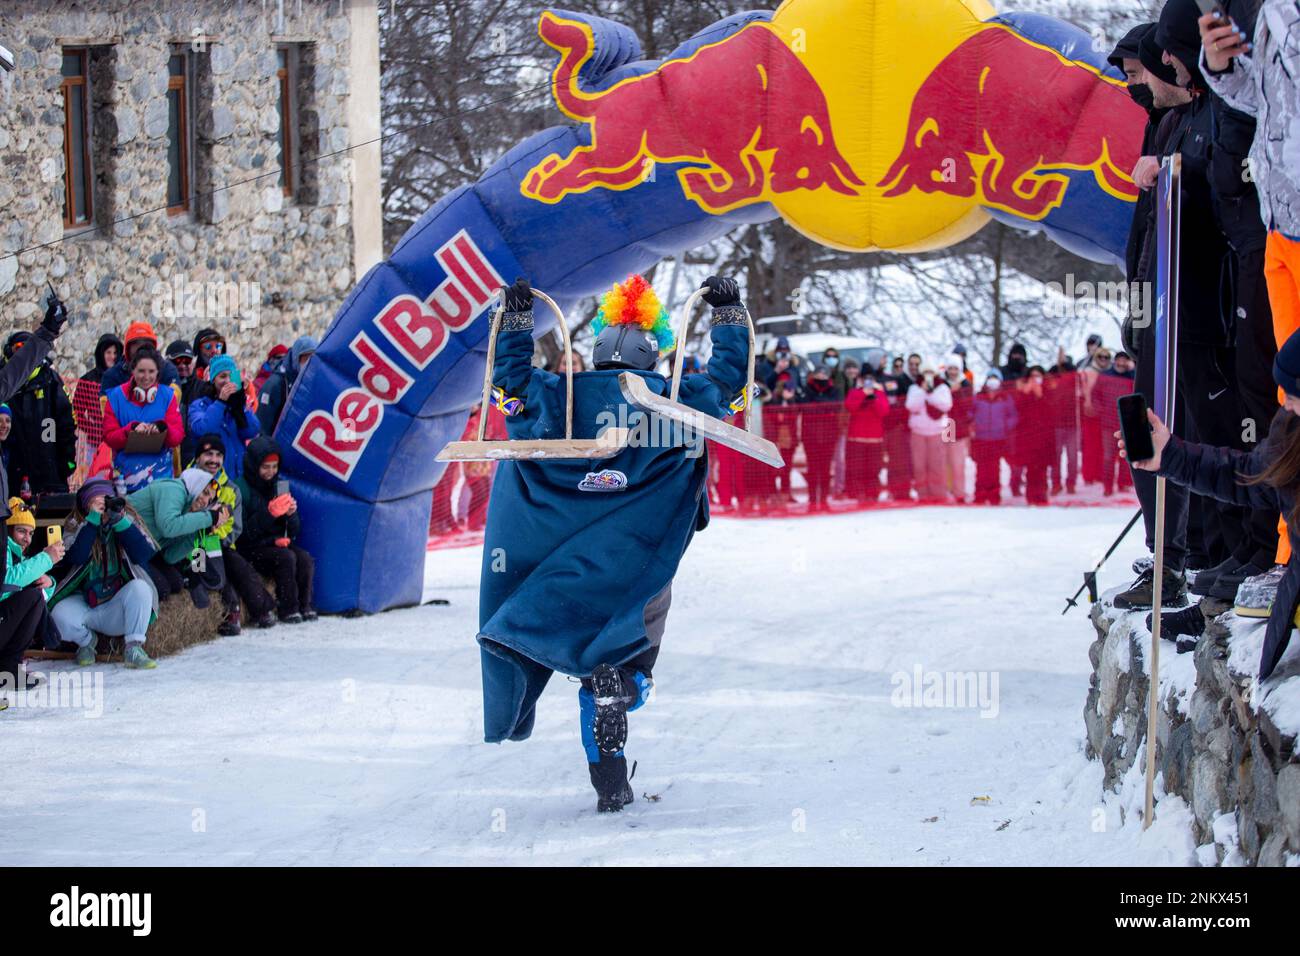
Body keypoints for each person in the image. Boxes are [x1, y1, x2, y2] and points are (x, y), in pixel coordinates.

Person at [475, 273, 750, 813]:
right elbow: (730, 387)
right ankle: (620, 693)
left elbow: (508, 387)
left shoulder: (559, 396)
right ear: (655, 352)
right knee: (627, 664)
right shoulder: (675, 399)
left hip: (558, 561)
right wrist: (729, 317)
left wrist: (513, 320)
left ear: (597, 348)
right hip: (641, 563)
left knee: (586, 657)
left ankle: (612, 782)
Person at [1122, 329, 1300, 681]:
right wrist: (1170, 455)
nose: (1287, 404)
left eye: (1295, 395)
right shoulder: (1294, 427)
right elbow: (1247, 476)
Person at [48, 479, 159, 669]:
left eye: (105, 499)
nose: (102, 504)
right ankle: (87, 642)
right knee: (58, 614)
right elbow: (76, 557)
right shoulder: (75, 524)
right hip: (85, 602)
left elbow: (143, 554)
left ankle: (133, 648)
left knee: (141, 589)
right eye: (96, 500)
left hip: (116, 607)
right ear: (85, 505)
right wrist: (91, 523)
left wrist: (120, 522)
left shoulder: (125, 519)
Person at [189, 434, 276, 635]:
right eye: (208, 454)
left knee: (233, 563)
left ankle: (254, 610)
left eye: (219, 455)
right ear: (197, 457)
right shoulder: (185, 481)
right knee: (215, 563)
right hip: (193, 548)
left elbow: (235, 527)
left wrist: (217, 538)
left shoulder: (231, 488)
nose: (214, 460)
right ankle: (237, 610)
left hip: (221, 543)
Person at [238, 436, 316, 625]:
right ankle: (287, 609)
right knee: (285, 558)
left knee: (304, 558)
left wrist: (291, 514)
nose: (270, 472)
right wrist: (269, 513)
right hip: (251, 548)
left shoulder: (280, 486)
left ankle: (305, 605)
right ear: (254, 465)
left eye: (274, 467)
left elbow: (293, 530)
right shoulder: (241, 488)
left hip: (276, 543)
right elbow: (243, 535)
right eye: (265, 467)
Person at [129, 466, 230, 609]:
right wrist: (209, 517)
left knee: (176, 583)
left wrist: (202, 531)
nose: (205, 501)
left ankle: (198, 579)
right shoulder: (175, 489)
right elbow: (168, 527)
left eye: (210, 501)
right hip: (125, 543)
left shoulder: (189, 511)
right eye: (205, 492)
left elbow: (170, 556)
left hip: (146, 549)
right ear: (197, 484)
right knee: (162, 588)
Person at [1, 331, 76, 496]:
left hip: (48, 474)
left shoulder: (50, 379)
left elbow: (67, 425)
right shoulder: (4, 380)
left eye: (27, 349)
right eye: (18, 348)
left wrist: (67, 463)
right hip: (11, 471)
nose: (23, 354)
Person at [0, 498, 62, 694]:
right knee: (32, 597)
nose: (27, 538)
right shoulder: (3, 550)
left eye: (31, 533)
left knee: (34, 598)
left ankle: (8, 671)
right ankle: (8, 668)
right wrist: (45, 559)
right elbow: (5, 583)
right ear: (7, 530)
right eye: (21, 531)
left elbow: (36, 600)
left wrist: (49, 583)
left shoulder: (20, 557)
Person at [101, 347, 184, 493]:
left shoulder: (168, 396)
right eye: (141, 371)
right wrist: (130, 430)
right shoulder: (115, 397)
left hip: (162, 484)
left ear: (158, 372)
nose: (146, 377)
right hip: (126, 485)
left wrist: (162, 428)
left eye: (151, 372)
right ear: (132, 370)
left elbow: (177, 436)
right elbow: (109, 437)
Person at [189, 354, 260, 480]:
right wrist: (221, 402)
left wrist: (240, 405)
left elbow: (252, 431)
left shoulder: (236, 405)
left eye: (231, 376)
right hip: (212, 478)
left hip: (239, 476)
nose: (227, 381)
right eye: (222, 376)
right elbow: (202, 429)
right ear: (213, 380)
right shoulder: (200, 405)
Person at [71, 333, 122, 482]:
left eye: (115, 353)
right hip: (94, 441)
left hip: (117, 438)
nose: (112, 357)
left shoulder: (122, 379)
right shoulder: (87, 379)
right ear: (101, 354)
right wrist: (89, 427)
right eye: (108, 353)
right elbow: (77, 410)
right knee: (94, 475)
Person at [905, 361, 952, 503]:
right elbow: (910, 406)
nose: (928, 376)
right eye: (925, 372)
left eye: (931, 372)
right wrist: (922, 391)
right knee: (919, 466)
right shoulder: (914, 388)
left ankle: (938, 494)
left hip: (937, 431)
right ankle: (922, 494)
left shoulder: (942, 387)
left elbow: (946, 405)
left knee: (937, 465)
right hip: (918, 432)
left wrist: (931, 393)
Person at [971, 370, 1018, 504]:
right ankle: (979, 495)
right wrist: (973, 422)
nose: (992, 381)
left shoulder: (1005, 398)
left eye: (995, 378)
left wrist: (1005, 425)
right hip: (981, 438)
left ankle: (994, 495)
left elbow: (1013, 416)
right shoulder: (978, 397)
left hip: (998, 438)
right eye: (990, 378)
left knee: (994, 468)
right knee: (981, 468)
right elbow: (971, 412)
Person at [1093, 350, 1136, 496]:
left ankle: (1123, 483)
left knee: (1125, 455)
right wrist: (1100, 410)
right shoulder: (1105, 376)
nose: (1122, 363)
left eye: (1125, 360)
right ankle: (1107, 487)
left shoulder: (1132, 376)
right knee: (1108, 456)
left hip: (1127, 422)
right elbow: (1095, 395)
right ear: (1115, 361)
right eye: (1120, 360)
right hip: (1108, 424)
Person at [256, 335, 317, 436]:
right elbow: (263, 424)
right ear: (296, 358)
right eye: (306, 358)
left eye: (313, 359)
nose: (309, 363)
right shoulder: (275, 384)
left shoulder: (309, 381)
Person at [844, 368, 889, 503]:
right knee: (857, 469)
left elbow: (884, 411)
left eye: (871, 380)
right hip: (857, 438)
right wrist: (863, 394)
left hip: (875, 439)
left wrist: (874, 397)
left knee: (873, 469)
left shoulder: (880, 394)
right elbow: (850, 406)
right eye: (866, 380)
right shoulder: (855, 393)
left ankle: (872, 494)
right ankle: (859, 494)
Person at [800, 365, 842, 512]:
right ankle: (812, 501)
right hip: (810, 436)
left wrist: (818, 404)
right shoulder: (807, 389)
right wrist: (822, 405)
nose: (822, 376)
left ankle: (824, 500)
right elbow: (805, 407)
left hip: (829, 436)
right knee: (812, 469)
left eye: (825, 374)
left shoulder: (834, 390)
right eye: (819, 373)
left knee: (825, 470)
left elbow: (835, 406)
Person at [99, 321, 179, 394]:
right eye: (136, 343)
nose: (142, 348)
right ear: (128, 349)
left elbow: (174, 400)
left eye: (146, 343)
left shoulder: (168, 370)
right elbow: (106, 405)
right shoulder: (112, 375)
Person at [1016, 366, 1054, 505]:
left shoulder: (1048, 391)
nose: (1035, 379)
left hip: (1044, 437)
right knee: (1031, 469)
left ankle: (1042, 495)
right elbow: (1018, 410)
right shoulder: (1023, 392)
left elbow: (1051, 411)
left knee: (1042, 468)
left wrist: (1040, 396)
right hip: (1028, 437)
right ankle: (1031, 496)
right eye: (1032, 376)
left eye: (1038, 376)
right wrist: (1025, 394)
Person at [942, 357, 973, 502]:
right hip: (945, 424)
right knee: (945, 460)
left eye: (955, 368)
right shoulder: (941, 383)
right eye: (950, 368)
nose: (953, 372)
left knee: (958, 462)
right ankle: (946, 490)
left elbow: (968, 406)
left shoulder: (965, 384)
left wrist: (956, 392)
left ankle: (959, 492)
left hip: (959, 426)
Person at [766, 380, 801, 503]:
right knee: (772, 469)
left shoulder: (793, 401)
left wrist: (790, 401)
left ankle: (786, 493)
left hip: (789, 439)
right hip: (774, 439)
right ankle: (773, 493)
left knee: (787, 468)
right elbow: (773, 417)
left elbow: (795, 416)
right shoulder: (774, 400)